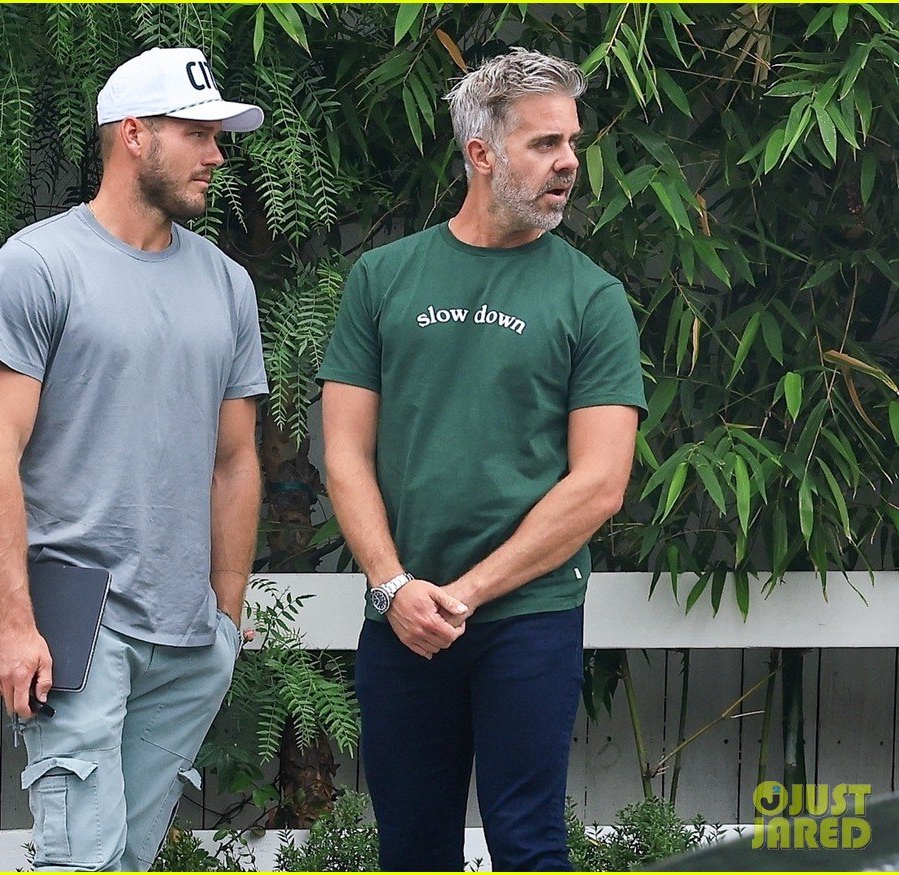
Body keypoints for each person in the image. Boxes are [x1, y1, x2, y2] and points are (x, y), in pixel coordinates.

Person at [318, 48, 647, 871]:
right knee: (411, 848)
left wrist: (458, 595)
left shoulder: (591, 297)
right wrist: (395, 588)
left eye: (572, 142)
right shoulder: (383, 277)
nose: (569, 161)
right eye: (544, 144)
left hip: (526, 619)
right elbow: (344, 453)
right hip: (400, 621)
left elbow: (601, 484)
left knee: (529, 844)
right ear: (481, 154)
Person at [0, 47, 267, 872]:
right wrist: (14, 622)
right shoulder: (36, 267)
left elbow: (235, 460)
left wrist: (227, 621)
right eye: (198, 134)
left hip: (187, 632)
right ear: (133, 134)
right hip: (74, 627)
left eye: (219, 136)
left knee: (129, 857)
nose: (216, 155)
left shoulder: (228, 285)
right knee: (83, 859)